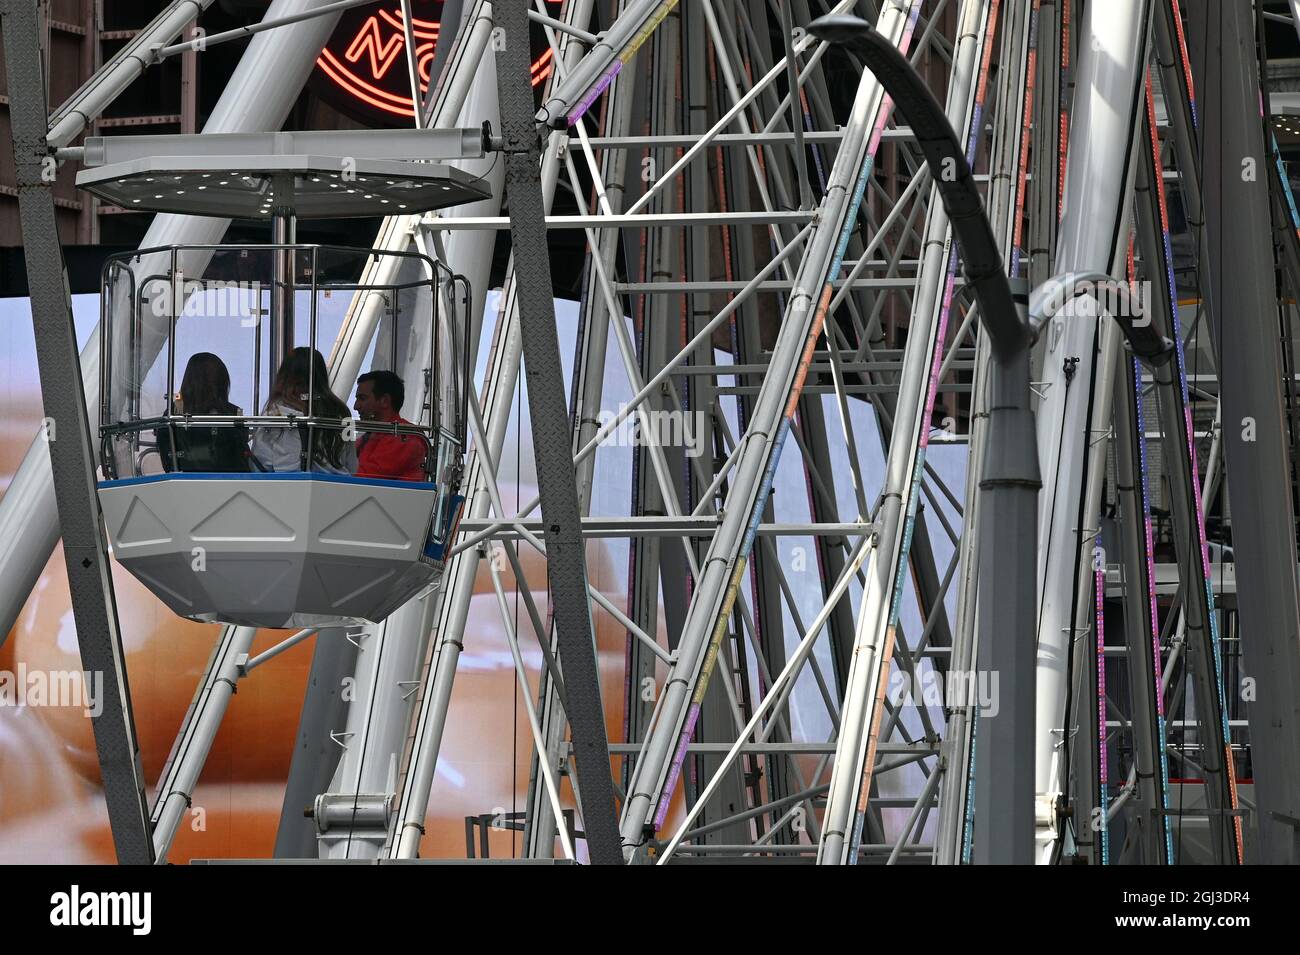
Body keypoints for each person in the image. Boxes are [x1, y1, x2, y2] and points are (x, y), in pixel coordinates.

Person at [252, 347, 358, 475]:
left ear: (285, 376)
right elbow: (351, 463)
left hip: (286, 486)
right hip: (336, 485)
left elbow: (262, 460)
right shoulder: (341, 412)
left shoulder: (275, 413)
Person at [156, 352, 252, 472]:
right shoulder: (233, 414)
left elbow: (167, 460)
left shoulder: (171, 415)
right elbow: (240, 460)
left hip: (182, 484)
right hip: (228, 485)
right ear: (221, 382)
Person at [352, 369, 429, 482]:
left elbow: (365, 478)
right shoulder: (370, 436)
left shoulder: (406, 438)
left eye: (362, 398)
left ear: (385, 401)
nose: (355, 406)